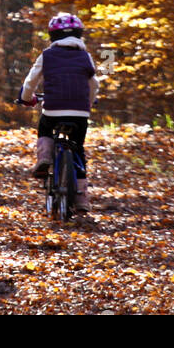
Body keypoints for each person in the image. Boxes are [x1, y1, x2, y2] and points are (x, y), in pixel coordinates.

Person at [19, 13, 100, 212]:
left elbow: (31, 82)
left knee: (45, 127)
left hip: (54, 109)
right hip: (80, 113)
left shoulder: (46, 55)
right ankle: (81, 199)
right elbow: (94, 84)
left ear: (52, 36)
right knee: (78, 149)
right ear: (79, 34)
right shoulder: (85, 56)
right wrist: (88, 103)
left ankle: (44, 157)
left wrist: (26, 98)